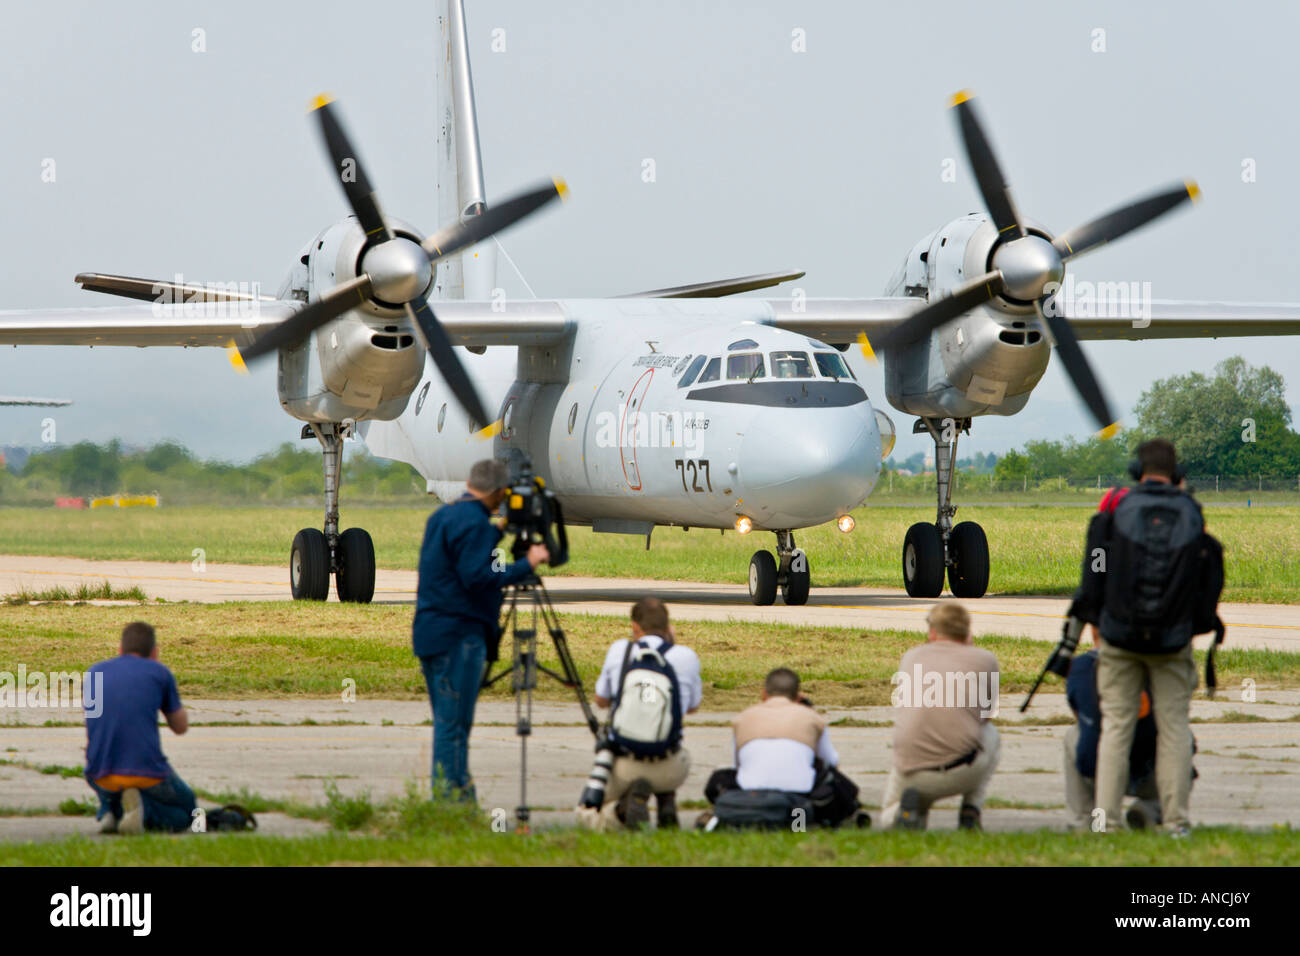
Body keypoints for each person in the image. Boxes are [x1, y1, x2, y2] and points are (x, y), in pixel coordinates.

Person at [1070, 438, 1222, 836]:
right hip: (1173, 642)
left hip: (1119, 639)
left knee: (1116, 728)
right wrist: (1197, 626)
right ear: (1178, 475)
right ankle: (1176, 823)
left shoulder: (1118, 512)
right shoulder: (1191, 513)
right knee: (1174, 729)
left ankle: (1105, 822)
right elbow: (1206, 574)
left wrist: (1096, 621)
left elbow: (1095, 572)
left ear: (1138, 472)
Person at [413, 458, 549, 802]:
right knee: (453, 726)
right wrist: (526, 564)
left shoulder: (444, 516)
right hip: (458, 636)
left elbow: (460, 559)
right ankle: (450, 801)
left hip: (430, 633)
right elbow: (480, 578)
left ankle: (459, 795)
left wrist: (497, 530)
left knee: (448, 722)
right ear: (498, 492)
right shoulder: (475, 526)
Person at [580, 597, 702, 830]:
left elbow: (601, 700)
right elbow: (692, 707)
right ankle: (666, 799)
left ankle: (622, 809)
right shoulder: (686, 656)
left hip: (626, 765)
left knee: (584, 814)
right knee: (676, 750)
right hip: (671, 766)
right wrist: (672, 646)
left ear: (635, 627)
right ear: (668, 627)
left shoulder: (620, 650)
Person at [882, 601, 1000, 831]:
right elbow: (987, 716)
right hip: (962, 769)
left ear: (932, 631)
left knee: (888, 814)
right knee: (991, 734)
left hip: (911, 767)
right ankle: (971, 809)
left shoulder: (911, 657)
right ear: (967, 631)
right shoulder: (985, 659)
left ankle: (905, 812)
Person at [703, 668, 864, 829]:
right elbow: (831, 763)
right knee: (834, 787)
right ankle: (798, 826)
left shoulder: (743, 718)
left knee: (720, 778)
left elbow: (737, 767)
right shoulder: (812, 718)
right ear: (798, 696)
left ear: (763, 694)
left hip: (749, 794)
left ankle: (735, 818)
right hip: (798, 802)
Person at [84, 622, 196, 834]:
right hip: (146, 771)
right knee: (188, 812)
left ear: (119, 650)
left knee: (105, 772)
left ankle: (110, 810)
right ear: (155, 652)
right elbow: (180, 727)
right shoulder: (159, 673)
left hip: (98, 772)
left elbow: (94, 725)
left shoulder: (93, 673)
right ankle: (141, 813)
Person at [1064, 647, 1163, 831]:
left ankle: (1090, 823)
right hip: (1151, 771)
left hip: (1103, 773)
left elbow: (1080, 717)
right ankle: (1157, 814)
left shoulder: (1083, 667)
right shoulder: (1165, 665)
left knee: (1077, 736)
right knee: (1180, 739)